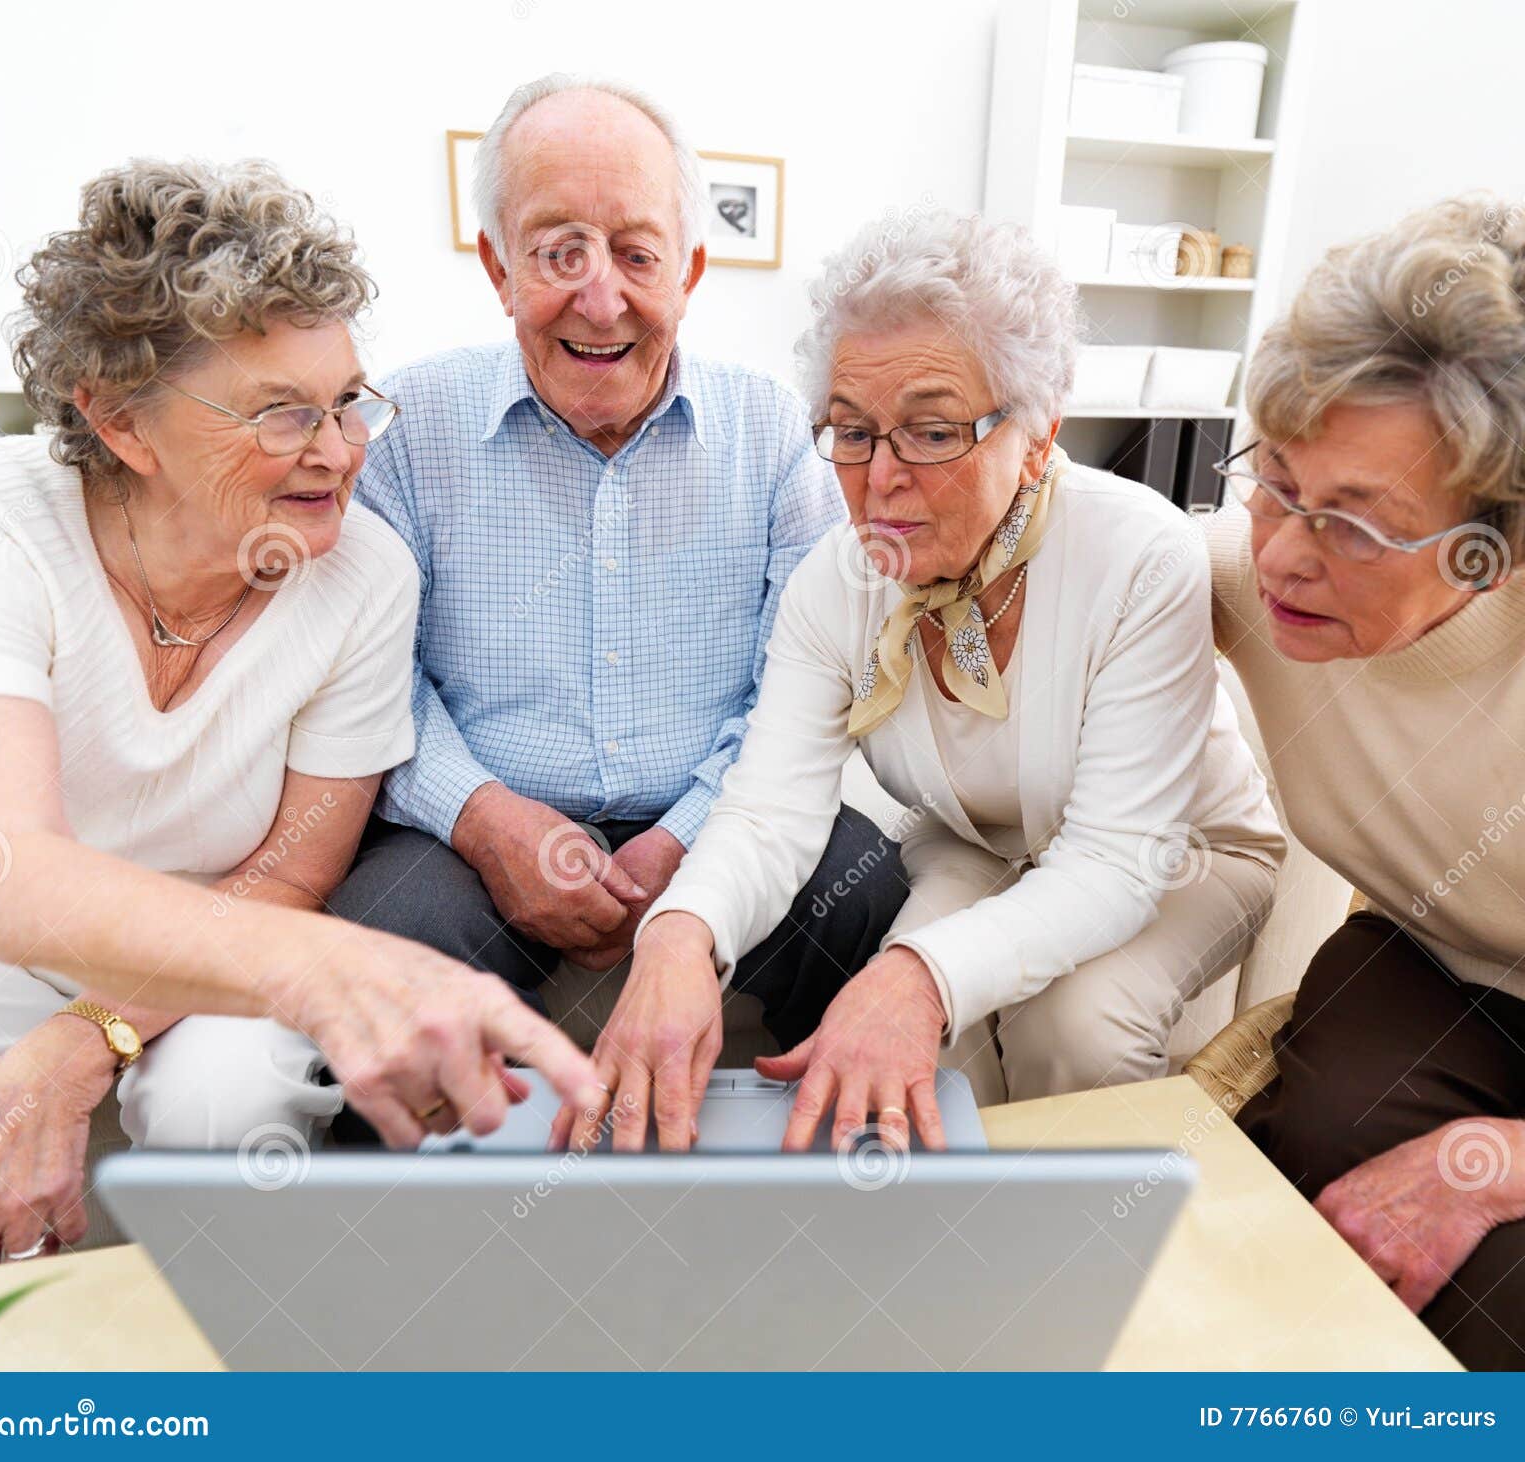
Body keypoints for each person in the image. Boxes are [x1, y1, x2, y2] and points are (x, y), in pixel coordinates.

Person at [0, 159, 599, 1273]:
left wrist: (89, 1032)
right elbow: (6, 875)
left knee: (228, 1106)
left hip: (223, 942)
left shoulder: (364, 574)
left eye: (346, 403)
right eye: (283, 414)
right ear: (121, 421)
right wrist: (323, 970)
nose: (338, 454)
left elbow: (289, 872)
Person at [585, 210, 1284, 1152]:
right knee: (919, 1047)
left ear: (1036, 434)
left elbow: (1114, 861)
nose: (880, 480)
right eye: (851, 431)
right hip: (981, 843)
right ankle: (956, 1259)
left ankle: (1077, 1270)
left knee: (1074, 1026)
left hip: (1176, 854)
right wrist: (679, 937)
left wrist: (919, 973)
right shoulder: (835, 581)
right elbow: (767, 812)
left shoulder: (1140, 558)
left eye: (930, 432)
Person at [330, 75, 907, 1136]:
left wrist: (687, 839)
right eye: (558, 251)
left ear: (687, 271)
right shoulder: (408, 431)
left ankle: (830, 1200)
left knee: (862, 884)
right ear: (498, 266)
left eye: (637, 255)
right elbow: (369, 678)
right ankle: (402, 1258)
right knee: (380, 931)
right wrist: (489, 821)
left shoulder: (777, 434)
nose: (601, 300)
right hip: (475, 823)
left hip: (721, 808)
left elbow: (809, 683)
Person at [1207, 195, 1525, 1371]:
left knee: (1493, 1288)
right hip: (1438, 959)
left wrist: (1481, 1162)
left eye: (1353, 522)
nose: (1283, 549)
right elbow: (1074, 554)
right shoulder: (1253, 572)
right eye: (1276, 477)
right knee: (1321, 1149)